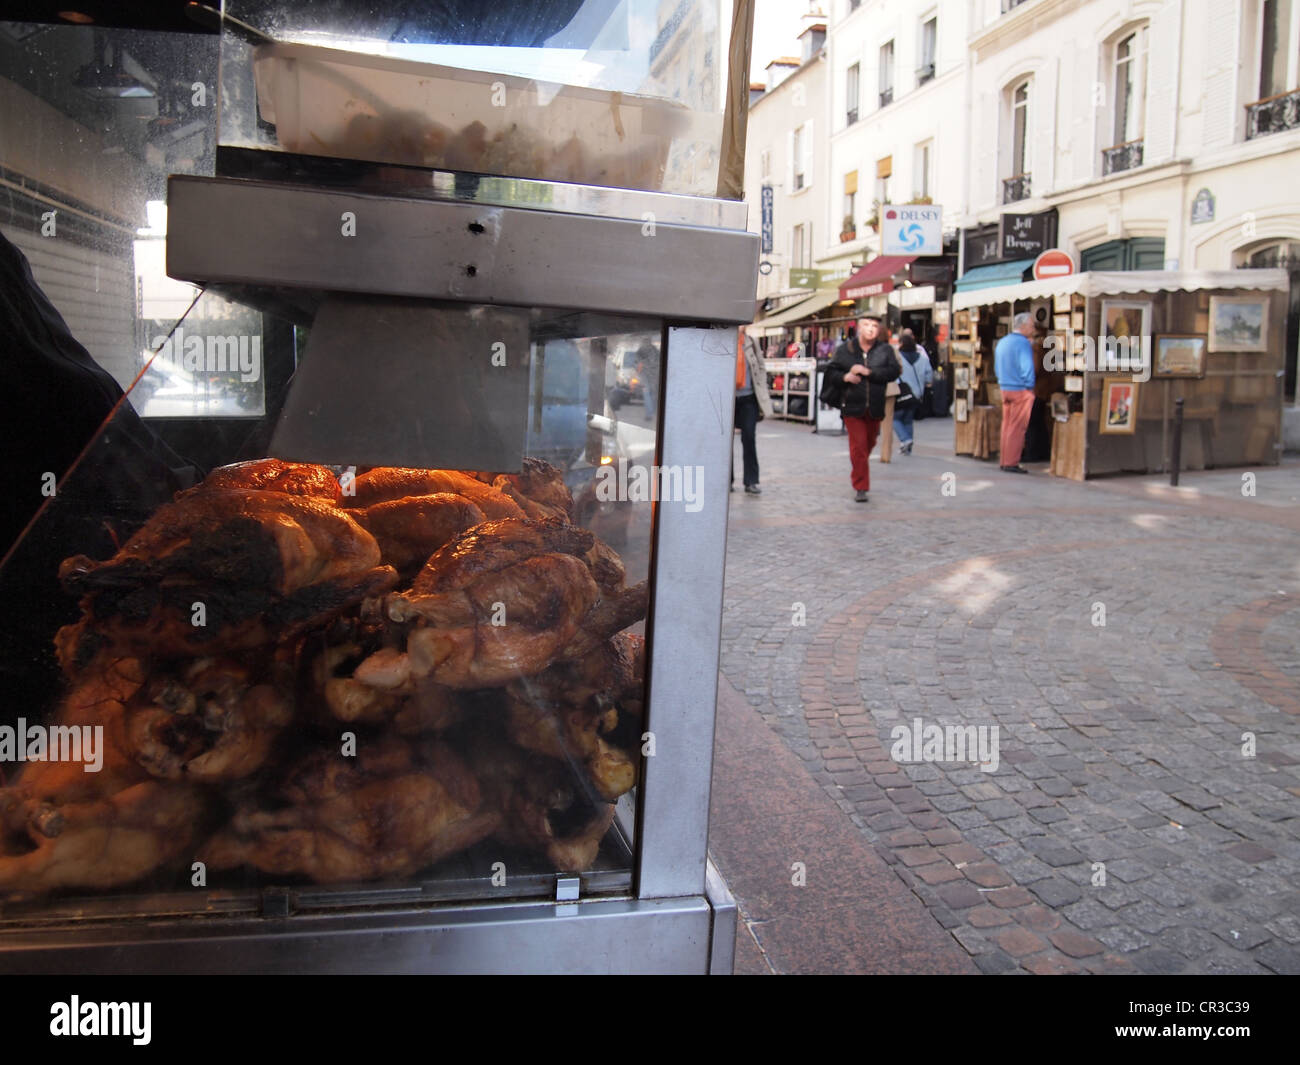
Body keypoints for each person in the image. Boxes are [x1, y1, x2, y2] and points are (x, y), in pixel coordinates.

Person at [824, 315, 900, 502]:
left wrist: (870, 373)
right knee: (858, 447)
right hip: (852, 406)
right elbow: (831, 373)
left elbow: (894, 371)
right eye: (866, 325)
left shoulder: (885, 350)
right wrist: (846, 377)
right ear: (859, 327)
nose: (871, 329)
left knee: (868, 444)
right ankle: (861, 486)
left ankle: (860, 472)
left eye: (874, 325)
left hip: (875, 406)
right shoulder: (846, 350)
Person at [994, 311, 1037, 473]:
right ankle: (1011, 462)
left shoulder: (1003, 342)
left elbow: (997, 367)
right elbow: (1027, 367)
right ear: (1023, 326)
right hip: (1020, 389)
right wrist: (1029, 386)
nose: (1033, 329)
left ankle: (1005, 459)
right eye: (1031, 325)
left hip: (1005, 387)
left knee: (1007, 425)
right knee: (1017, 427)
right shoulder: (1023, 343)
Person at [731, 327, 772, 494]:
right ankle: (726, 480)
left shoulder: (752, 342)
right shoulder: (725, 341)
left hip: (749, 398)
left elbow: (761, 368)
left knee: (749, 438)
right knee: (725, 442)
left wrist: (761, 389)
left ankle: (751, 481)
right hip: (728, 400)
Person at [893, 328, 933, 455]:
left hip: (901, 393)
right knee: (908, 420)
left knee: (895, 418)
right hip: (916, 395)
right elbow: (929, 377)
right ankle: (908, 447)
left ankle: (905, 439)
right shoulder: (923, 359)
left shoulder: (898, 358)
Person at [635, 340, 660, 424]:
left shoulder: (641, 351)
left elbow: (639, 365)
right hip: (654, 377)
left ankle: (650, 414)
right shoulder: (655, 351)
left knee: (647, 394)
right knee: (653, 394)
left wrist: (638, 373)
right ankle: (653, 412)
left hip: (646, 377)